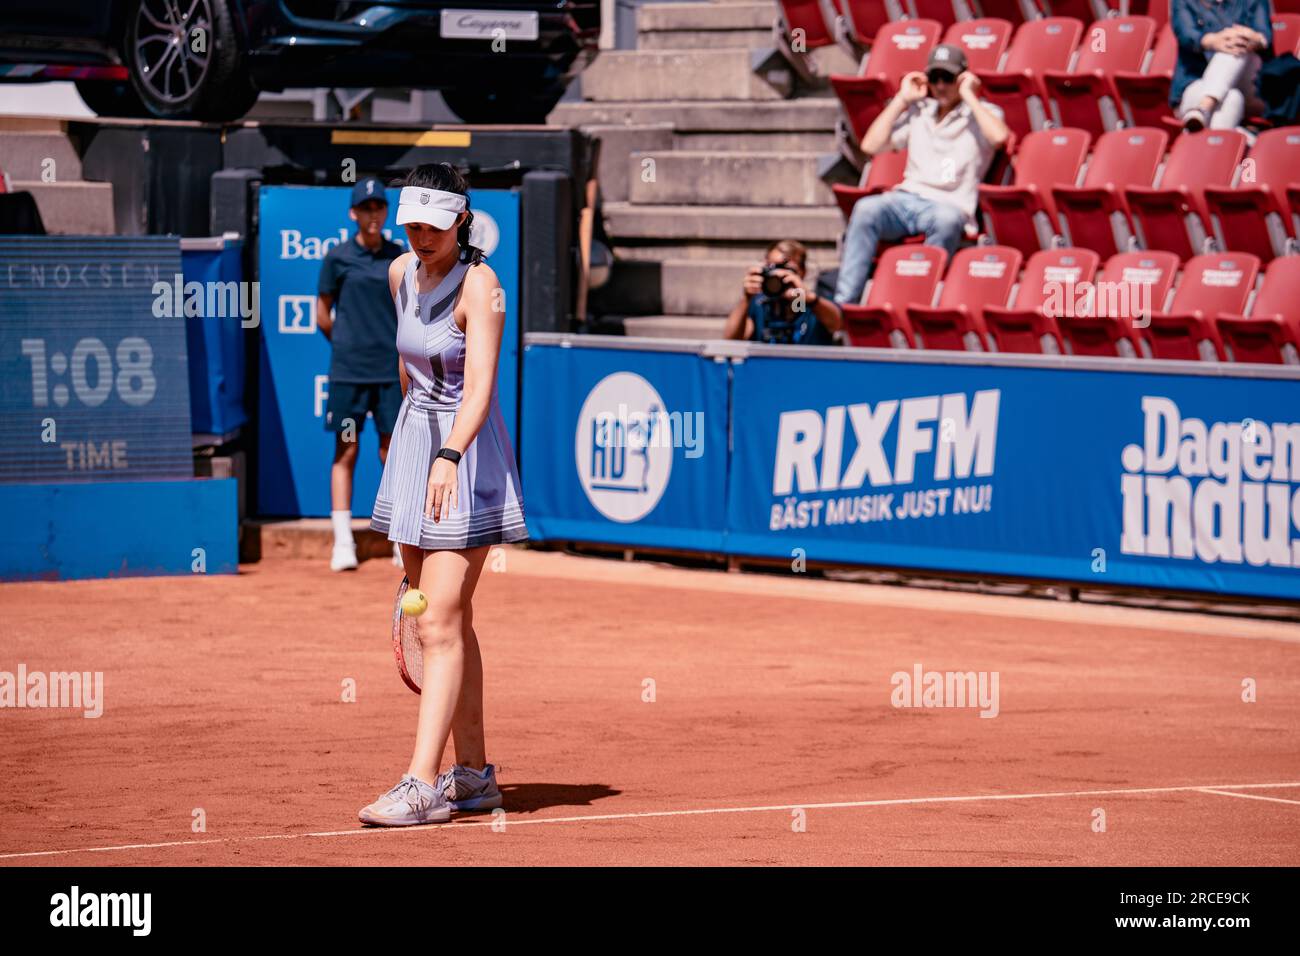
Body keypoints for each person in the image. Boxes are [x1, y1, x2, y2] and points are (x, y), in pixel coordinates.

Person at [358, 162, 528, 827]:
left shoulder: (482, 287)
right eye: (412, 226)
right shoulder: (399, 275)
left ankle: (422, 784)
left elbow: (480, 384)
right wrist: (410, 456)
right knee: (450, 621)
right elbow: (407, 371)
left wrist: (449, 454)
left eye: (432, 225)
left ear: (461, 219)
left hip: (467, 458)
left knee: (439, 621)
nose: (420, 237)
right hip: (414, 453)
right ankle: (476, 776)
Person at [833, 44, 1009, 308]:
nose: (940, 85)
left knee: (946, 221)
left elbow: (999, 138)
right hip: (907, 198)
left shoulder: (983, 113)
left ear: (962, 78)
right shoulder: (919, 112)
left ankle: (918, 302)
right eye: (934, 78)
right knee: (866, 209)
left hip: (949, 204)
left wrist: (970, 96)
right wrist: (901, 100)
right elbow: (870, 146)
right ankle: (844, 304)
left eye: (947, 78)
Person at [317, 175, 405, 572]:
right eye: (366, 207)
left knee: (393, 454)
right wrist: (349, 344)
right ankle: (343, 543)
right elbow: (323, 314)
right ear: (354, 213)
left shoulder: (400, 255)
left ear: (386, 212)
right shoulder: (337, 258)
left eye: (379, 207)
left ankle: (402, 543)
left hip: (391, 373)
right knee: (347, 451)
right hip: (350, 373)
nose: (374, 214)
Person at [1171, 0, 1273, 131]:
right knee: (1232, 99)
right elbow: (1186, 34)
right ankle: (1229, 142)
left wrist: (1254, 38)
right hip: (1197, 81)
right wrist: (1213, 41)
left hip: (1250, 84)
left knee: (1237, 44)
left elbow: (1265, 34)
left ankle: (1204, 106)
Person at [723, 239, 843, 344]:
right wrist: (746, 299)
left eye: (788, 269)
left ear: (803, 271)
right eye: (773, 268)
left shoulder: (810, 305)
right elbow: (731, 340)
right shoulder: (759, 303)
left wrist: (807, 297)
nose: (779, 275)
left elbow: (837, 325)